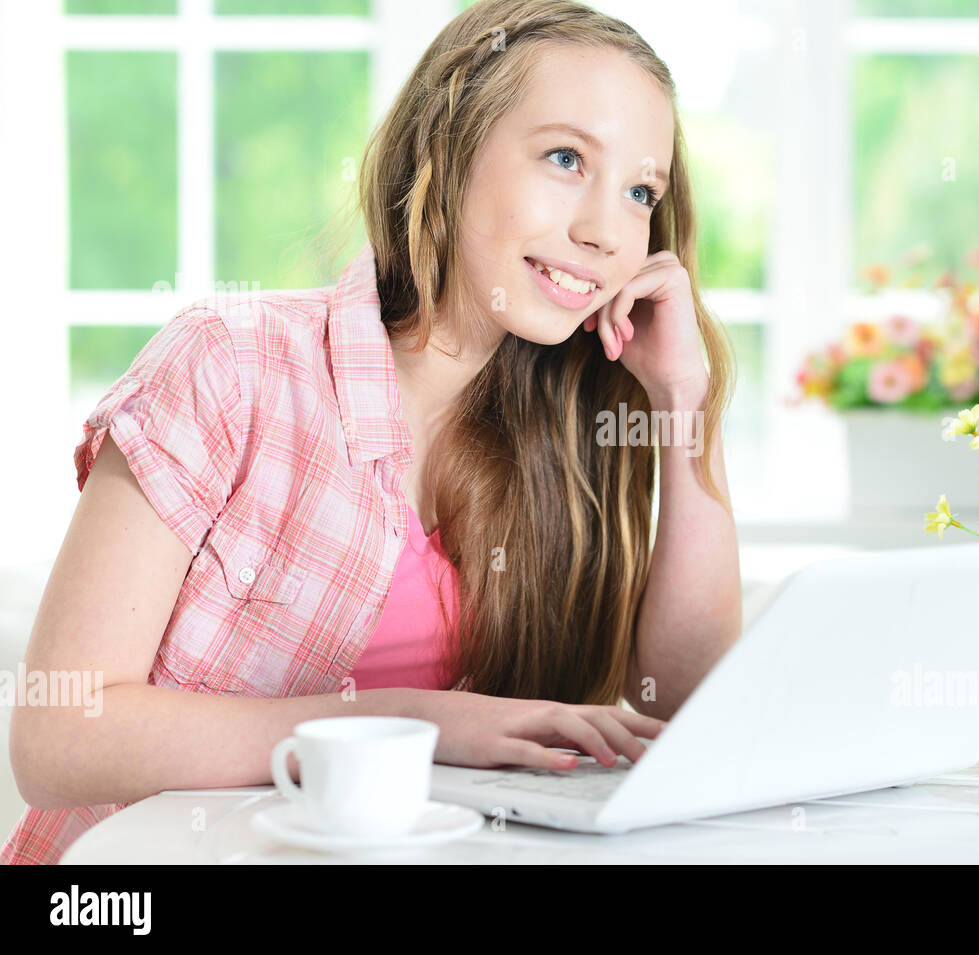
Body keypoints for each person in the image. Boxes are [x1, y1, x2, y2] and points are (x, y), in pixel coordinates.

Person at [2, 0, 741, 865]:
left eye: (640, 192)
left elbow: (683, 716)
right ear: (449, 146)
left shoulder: (572, 437)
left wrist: (687, 401)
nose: (604, 230)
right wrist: (404, 720)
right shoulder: (232, 367)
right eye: (565, 157)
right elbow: (56, 740)